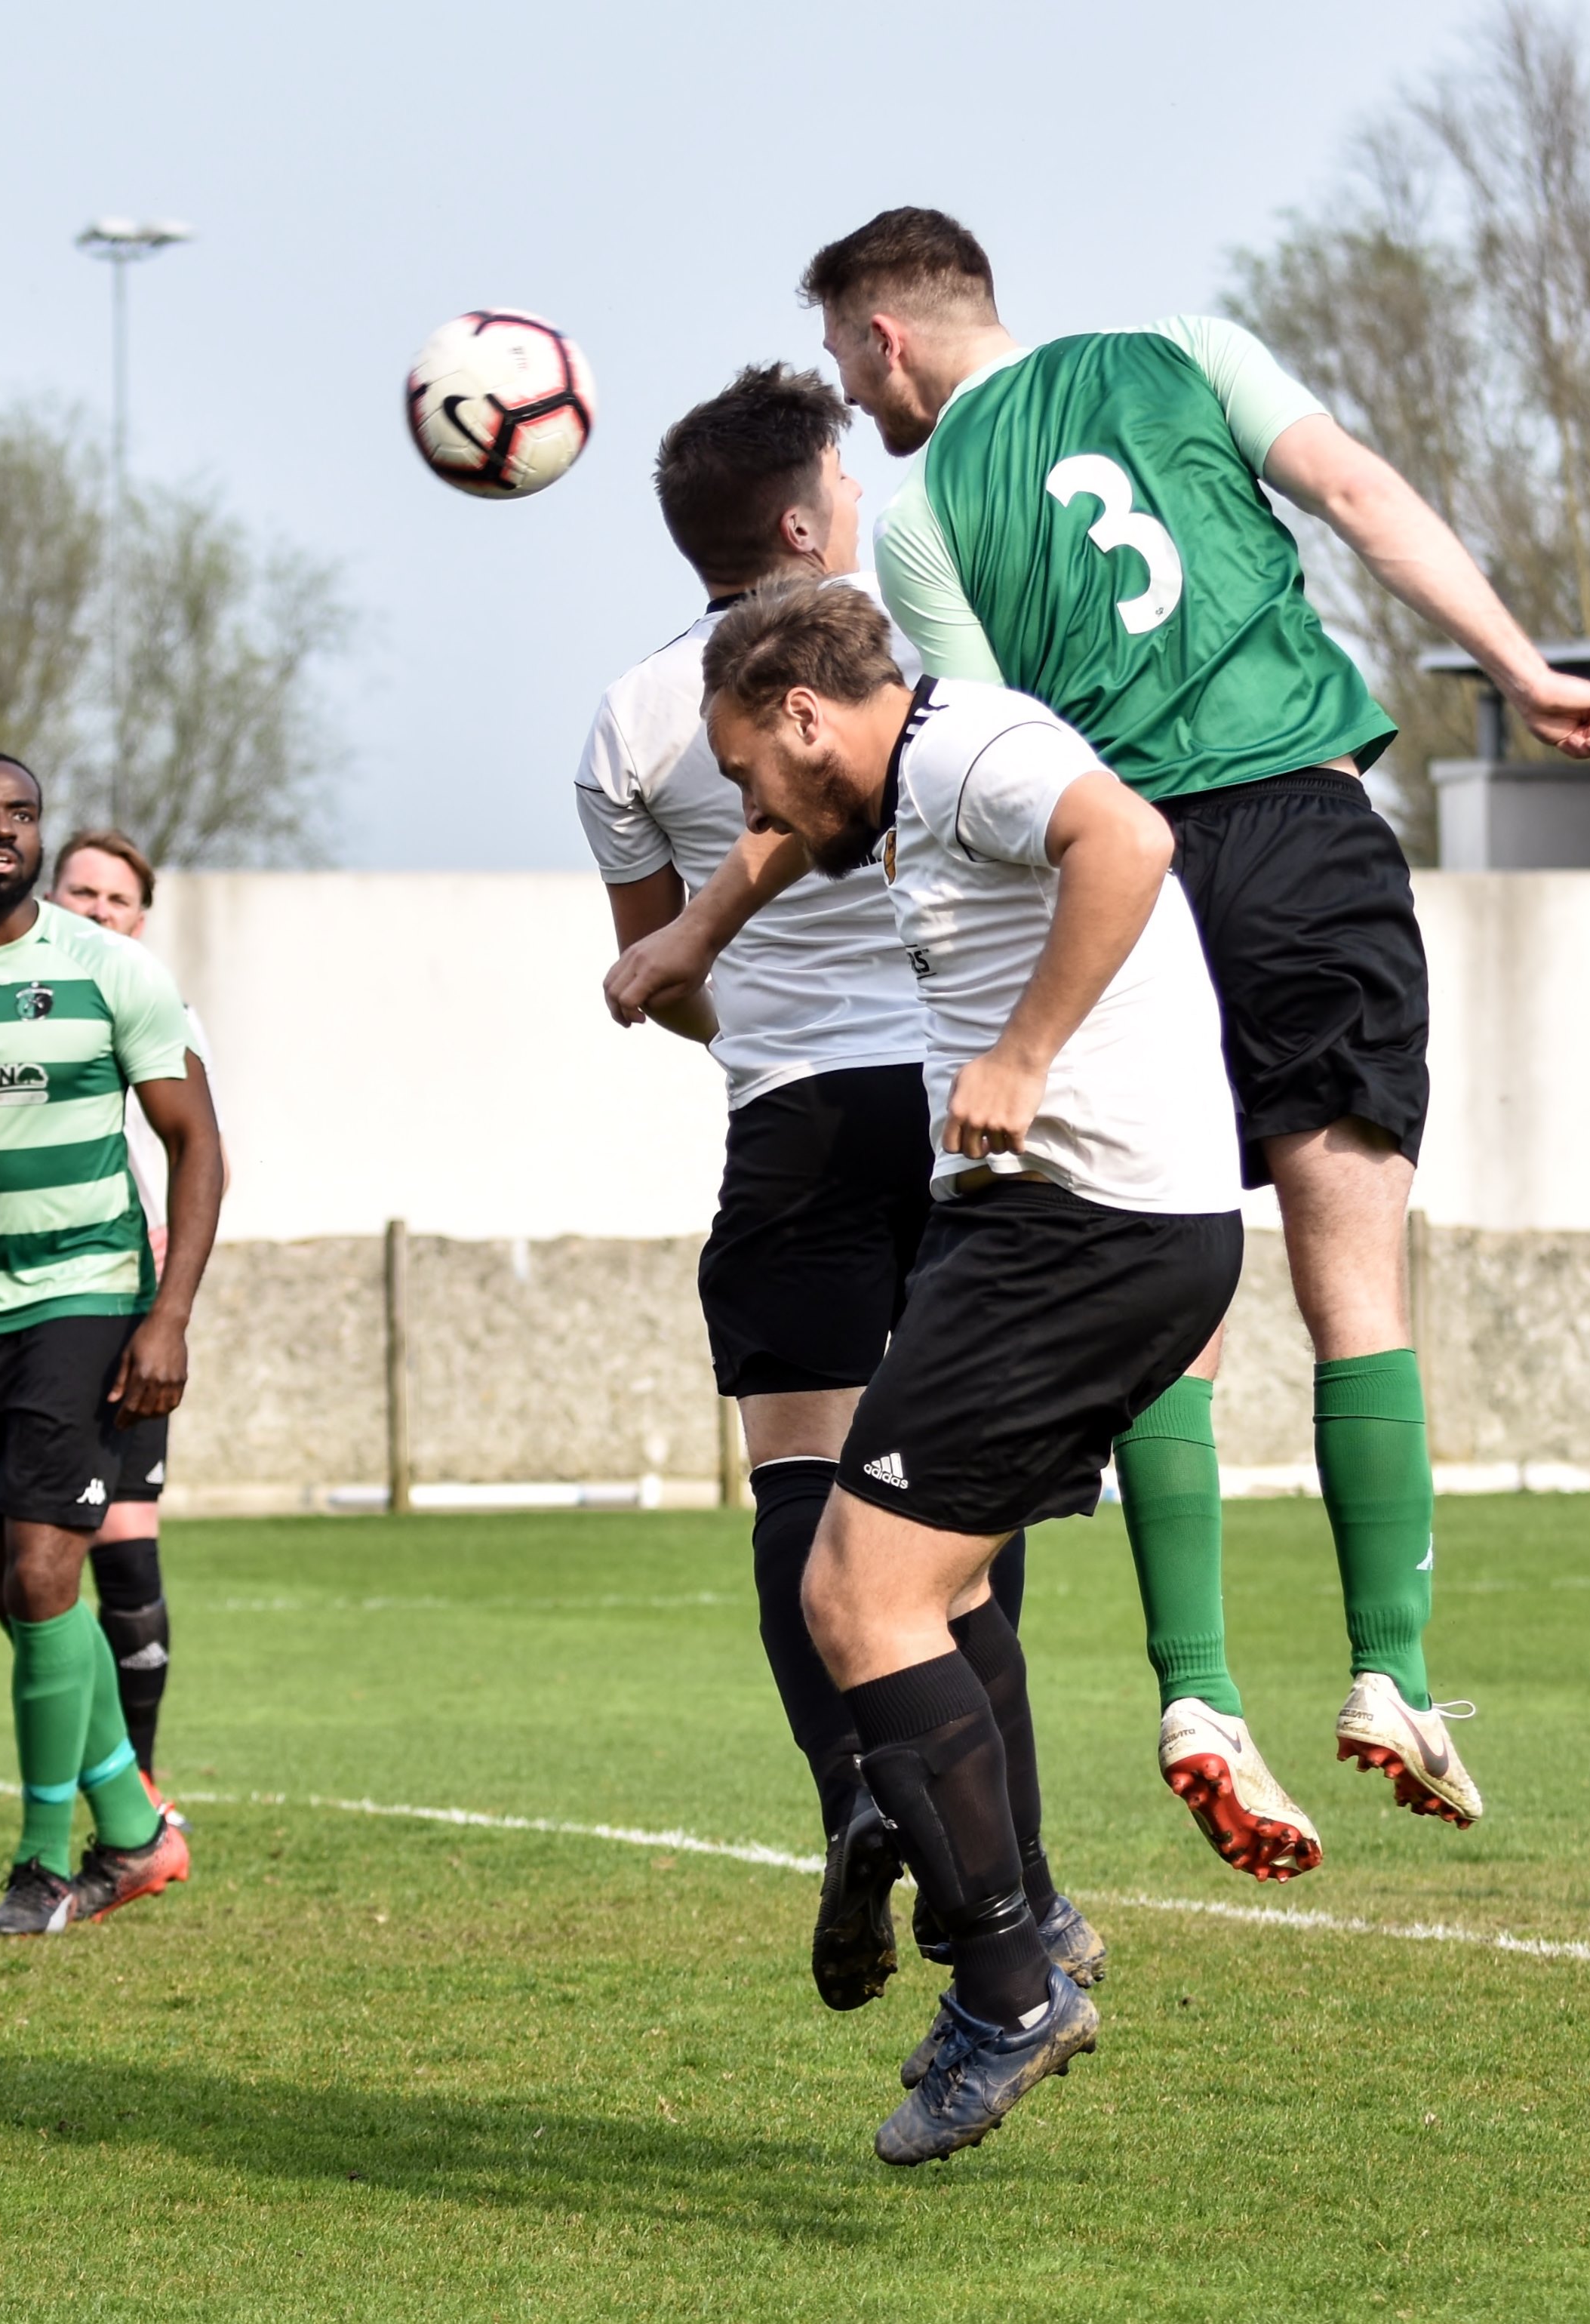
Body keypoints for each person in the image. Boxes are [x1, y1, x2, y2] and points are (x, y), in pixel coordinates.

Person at [639, 207, 1590, 1841]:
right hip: (1306, 835)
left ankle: (1200, 1686)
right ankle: (1388, 1664)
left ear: (886, 340)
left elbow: (961, 743)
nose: (851, 394)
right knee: (1354, 1280)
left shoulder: (922, 521)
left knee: (1181, 1285)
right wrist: (1515, 670)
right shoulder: (1192, 355)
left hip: (1142, 902)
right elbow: (1366, 502)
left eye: (841, 358)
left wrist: (711, 918)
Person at [583, 362, 1109, 2007]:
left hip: (796, 1115)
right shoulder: (898, 659)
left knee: (803, 1484)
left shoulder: (625, 716)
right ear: (809, 520)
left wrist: (758, 1039)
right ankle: (1005, 1866)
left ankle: (857, 1787)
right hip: (963, 1106)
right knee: (956, 1516)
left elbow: (654, 972)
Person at [701, 578, 1241, 2162]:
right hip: (1067, 1232)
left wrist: (1023, 1049)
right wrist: (695, 925)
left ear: (805, 715)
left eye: (747, 770)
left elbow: (1126, 841)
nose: (755, 803)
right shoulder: (909, 776)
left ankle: (1009, 1981)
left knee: (852, 1595)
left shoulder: (967, 753)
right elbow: (802, 841)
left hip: (1077, 1228)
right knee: (929, 1593)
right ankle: (1033, 1923)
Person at [0, 754, 226, 1937]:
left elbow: (198, 1144)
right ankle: (133, 1825)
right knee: (1, 1580)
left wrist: (166, 1314)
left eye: (21, 814)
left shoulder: (111, 970)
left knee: (41, 1571)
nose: (2, 831)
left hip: (83, 1301)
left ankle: (41, 1859)